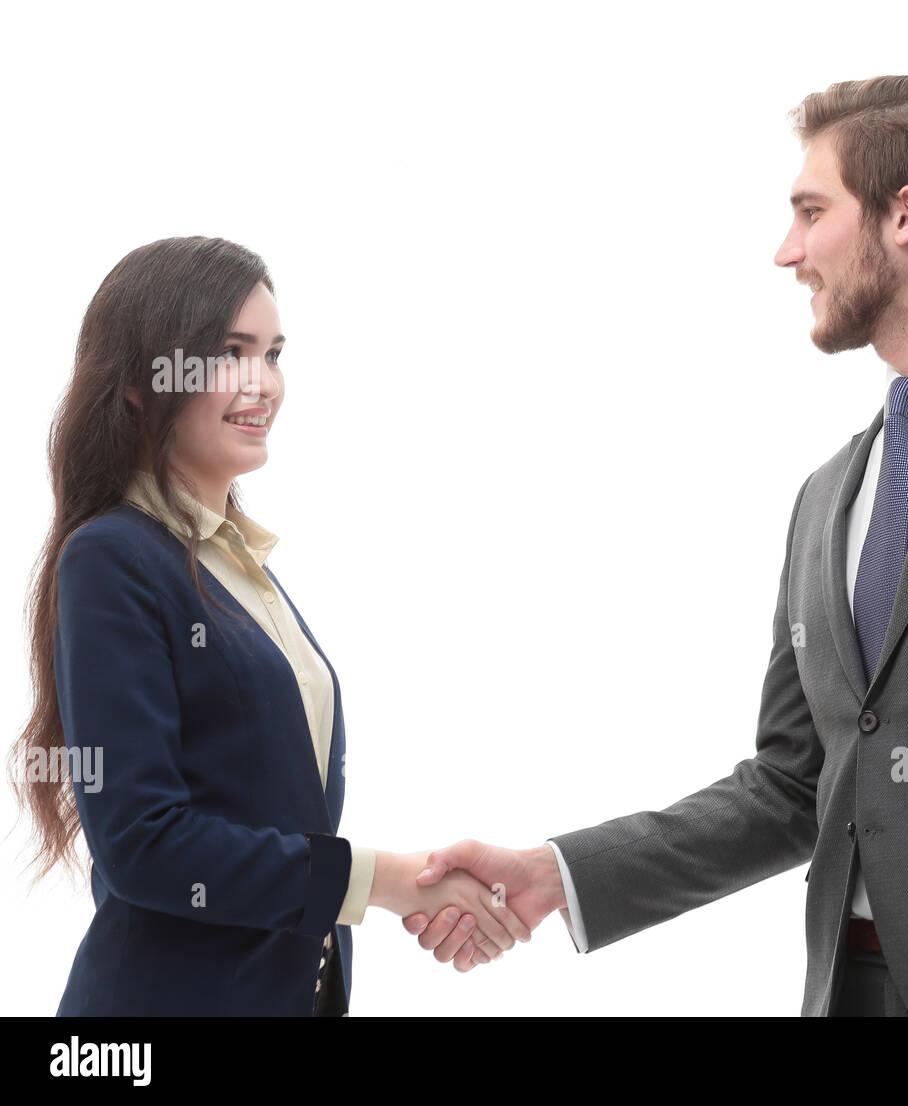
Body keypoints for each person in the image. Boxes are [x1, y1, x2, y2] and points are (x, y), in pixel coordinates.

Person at [402, 76, 908, 1017]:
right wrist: (557, 874)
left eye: (810, 210)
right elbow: (793, 785)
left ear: (907, 215)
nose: (786, 252)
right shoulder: (828, 495)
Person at [11, 236, 528, 1016]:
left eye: (274, 352)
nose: (265, 384)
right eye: (229, 352)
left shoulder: (239, 568)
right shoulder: (113, 558)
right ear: (139, 386)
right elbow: (143, 842)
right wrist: (382, 879)